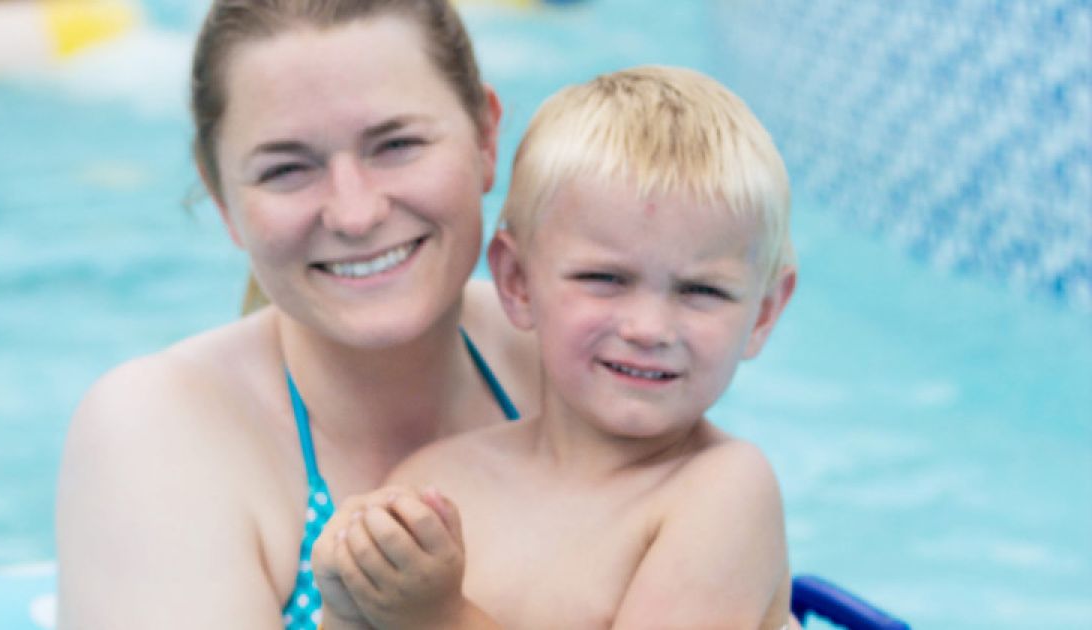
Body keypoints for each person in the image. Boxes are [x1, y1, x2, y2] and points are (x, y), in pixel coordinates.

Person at [54, 1, 541, 628]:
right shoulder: (158, 430)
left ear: (486, 138)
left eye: (397, 145)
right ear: (222, 198)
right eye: (286, 169)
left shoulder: (570, 360)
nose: (355, 214)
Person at [312, 65, 800, 629]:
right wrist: (348, 609)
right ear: (517, 281)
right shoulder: (438, 480)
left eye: (702, 291)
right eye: (605, 279)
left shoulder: (723, 491)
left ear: (764, 313)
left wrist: (440, 618)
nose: (649, 328)